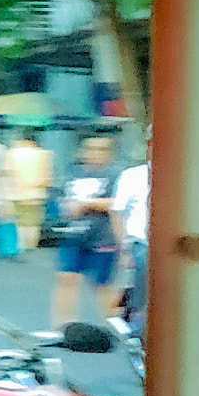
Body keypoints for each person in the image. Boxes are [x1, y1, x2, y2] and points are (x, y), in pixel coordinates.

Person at [51, 133, 122, 326]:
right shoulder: (73, 172)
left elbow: (117, 203)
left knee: (102, 285)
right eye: (90, 149)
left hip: (103, 237)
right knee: (65, 278)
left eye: (101, 149)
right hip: (74, 235)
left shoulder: (115, 174)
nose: (95, 153)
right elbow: (62, 198)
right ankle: (63, 325)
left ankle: (114, 326)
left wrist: (85, 204)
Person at [111, 144, 149, 330]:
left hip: (176, 244)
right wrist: (123, 248)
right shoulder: (132, 175)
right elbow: (117, 211)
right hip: (140, 242)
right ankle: (136, 318)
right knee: (145, 265)